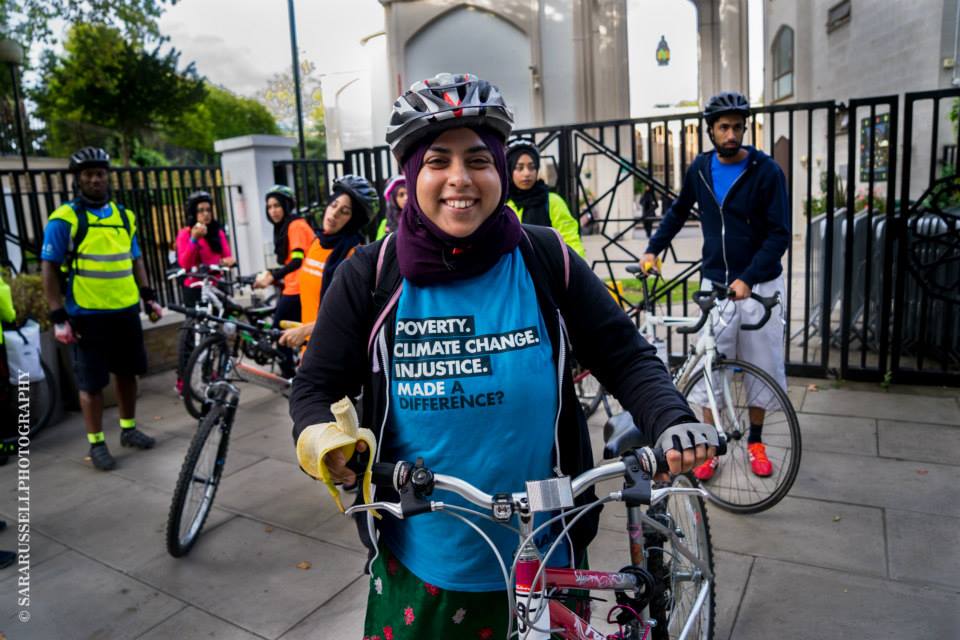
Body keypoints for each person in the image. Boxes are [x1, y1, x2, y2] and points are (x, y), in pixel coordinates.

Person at [290, 72, 718, 638]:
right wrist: (327, 443)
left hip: (545, 551)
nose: (459, 179)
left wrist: (670, 419)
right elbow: (315, 388)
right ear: (412, 175)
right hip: (424, 557)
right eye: (437, 161)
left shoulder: (545, 258)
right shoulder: (369, 275)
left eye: (478, 160)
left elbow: (624, 354)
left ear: (499, 169)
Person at [640, 91, 790, 481]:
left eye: (737, 127)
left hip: (759, 286)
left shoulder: (767, 171)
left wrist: (749, 276)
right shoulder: (701, 168)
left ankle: (755, 441)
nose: (731, 134)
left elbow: (779, 234)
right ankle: (711, 446)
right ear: (710, 130)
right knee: (710, 365)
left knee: (760, 366)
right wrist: (653, 249)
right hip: (716, 282)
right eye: (724, 127)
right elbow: (677, 211)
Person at [41, 147, 162, 471]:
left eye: (100, 173)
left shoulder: (124, 216)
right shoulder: (64, 219)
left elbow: (135, 258)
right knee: (91, 384)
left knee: (127, 374)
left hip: (125, 311)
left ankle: (128, 429)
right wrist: (57, 316)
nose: (95, 179)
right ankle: (96, 443)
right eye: (88, 174)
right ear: (78, 179)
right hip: (87, 315)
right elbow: (49, 268)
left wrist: (148, 295)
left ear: (107, 176)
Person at [279, 175, 377, 350]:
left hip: (334, 353)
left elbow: (348, 315)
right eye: (334, 205)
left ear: (353, 221)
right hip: (310, 348)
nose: (334, 214)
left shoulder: (353, 255)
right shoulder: (317, 243)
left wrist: (305, 331)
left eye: (345, 212)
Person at [252, 185, 313, 378]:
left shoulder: (296, 226)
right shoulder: (285, 226)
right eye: (269, 207)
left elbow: (297, 260)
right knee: (297, 333)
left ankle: (290, 377)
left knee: (278, 333)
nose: (273, 211)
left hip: (298, 289)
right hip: (293, 286)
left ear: (287, 205)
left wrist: (272, 277)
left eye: (277, 205)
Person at [505, 138, 586, 258]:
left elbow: (569, 239)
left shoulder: (552, 201)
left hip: (547, 271)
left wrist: (579, 270)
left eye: (532, 167)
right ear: (510, 170)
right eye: (519, 167)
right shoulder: (502, 203)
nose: (527, 173)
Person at [175, 190, 236, 306]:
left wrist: (225, 262)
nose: (206, 214)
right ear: (193, 213)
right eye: (201, 211)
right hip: (195, 288)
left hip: (216, 285)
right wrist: (194, 240)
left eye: (208, 210)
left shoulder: (217, 232)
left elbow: (227, 257)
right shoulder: (185, 234)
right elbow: (185, 263)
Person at [374, 174, 407, 240]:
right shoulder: (385, 224)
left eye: (409, 193)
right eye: (401, 195)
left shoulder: (419, 218)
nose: (406, 198)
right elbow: (380, 246)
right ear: (393, 199)